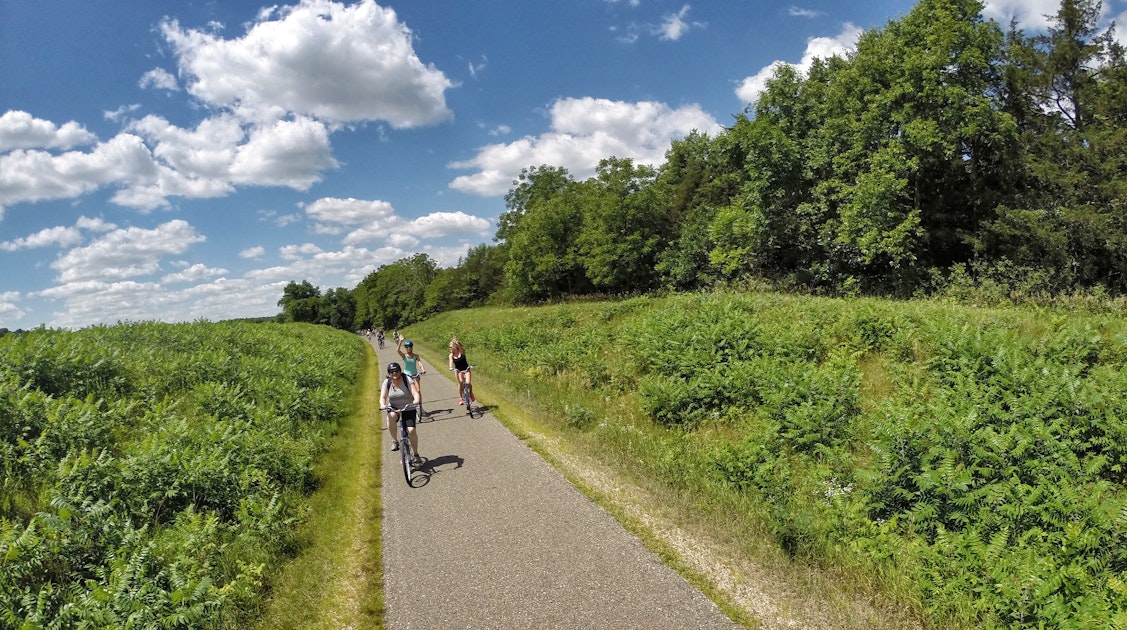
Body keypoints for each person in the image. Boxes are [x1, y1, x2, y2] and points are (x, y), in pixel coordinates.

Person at [380, 362, 422, 465]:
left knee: (411, 430)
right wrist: (382, 404)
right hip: (394, 407)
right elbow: (383, 396)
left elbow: (415, 392)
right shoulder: (387, 382)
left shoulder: (407, 379)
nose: (394, 373)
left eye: (396, 371)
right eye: (392, 372)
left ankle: (416, 454)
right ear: (389, 373)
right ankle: (395, 441)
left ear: (400, 371)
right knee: (391, 416)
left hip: (408, 406)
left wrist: (416, 400)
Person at [448, 337, 473, 405]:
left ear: (455, 347)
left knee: (468, 383)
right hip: (458, 371)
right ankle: (461, 398)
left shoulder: (462, 352)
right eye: (449, 347)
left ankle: (471, 393)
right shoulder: (451, 355)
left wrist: (456, 343)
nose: (450, 349)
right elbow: (450, 362)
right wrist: (450, 367)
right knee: (461, 382)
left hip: (466, 369)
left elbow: (461, 348)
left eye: (451, 347)